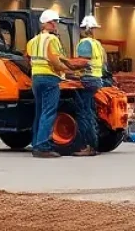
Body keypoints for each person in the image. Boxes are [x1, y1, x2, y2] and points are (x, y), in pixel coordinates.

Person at [26, 9, 87, 158]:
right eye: (53, 22)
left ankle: (36, 143)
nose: (55, 24)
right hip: (49, 78)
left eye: (56, 22)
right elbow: (55, 61)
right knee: (48, 112)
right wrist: (69, 71)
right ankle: (42, 147)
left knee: (40, 112)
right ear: (46, 23)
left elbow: (28, 58)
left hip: (36, 79)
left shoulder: (33, 41)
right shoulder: (52, 40)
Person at [73, 15, 105, 157]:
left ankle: (88, 145)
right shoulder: (96, 44)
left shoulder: (85, 43)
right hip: (96, 79)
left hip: (87, 80)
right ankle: (93, 144)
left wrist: (67, 66)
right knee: (90, 112)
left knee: (83, 113)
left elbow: (82, 62)